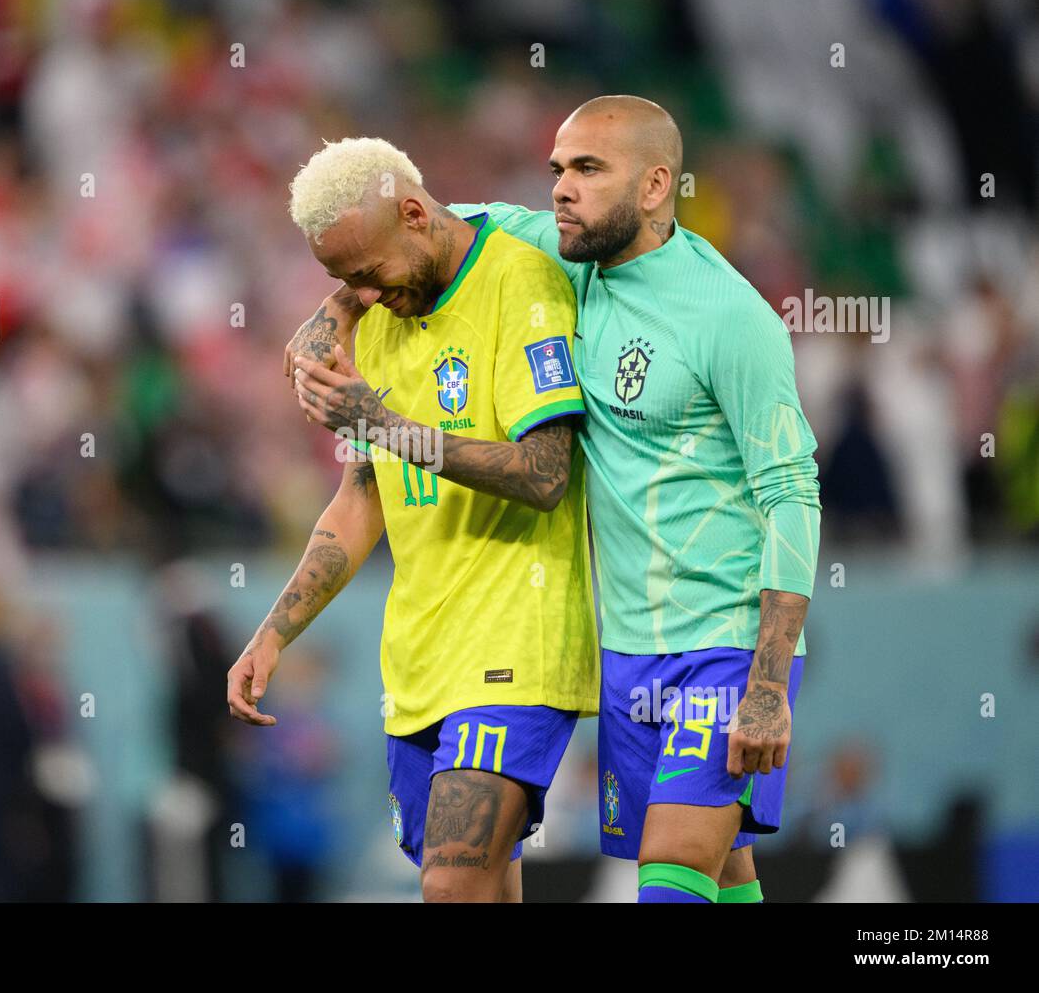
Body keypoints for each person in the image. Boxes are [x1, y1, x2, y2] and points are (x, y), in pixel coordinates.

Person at [288, 98, 822, 904]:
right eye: (558, 170)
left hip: (728, 638)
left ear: (654, 187)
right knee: (723, 869)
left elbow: (791, 490)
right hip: (631, 645)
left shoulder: (732, 318)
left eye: (587, 170)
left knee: (672, 875)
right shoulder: (560, 251)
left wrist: (770, 683)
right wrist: (331, 309)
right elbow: (422, 224)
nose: (562, 189)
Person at [229, 137, 598, 903]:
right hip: (420, 661)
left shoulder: (521, 284)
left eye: (367, 274)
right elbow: (363, 496)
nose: (362, 297)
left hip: (515, 647)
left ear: (413, 215)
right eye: (342, 285)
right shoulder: (381, 319)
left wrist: (388, 424)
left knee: (450, 886)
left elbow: (545, 473)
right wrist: (274, 632)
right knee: (486, 891)